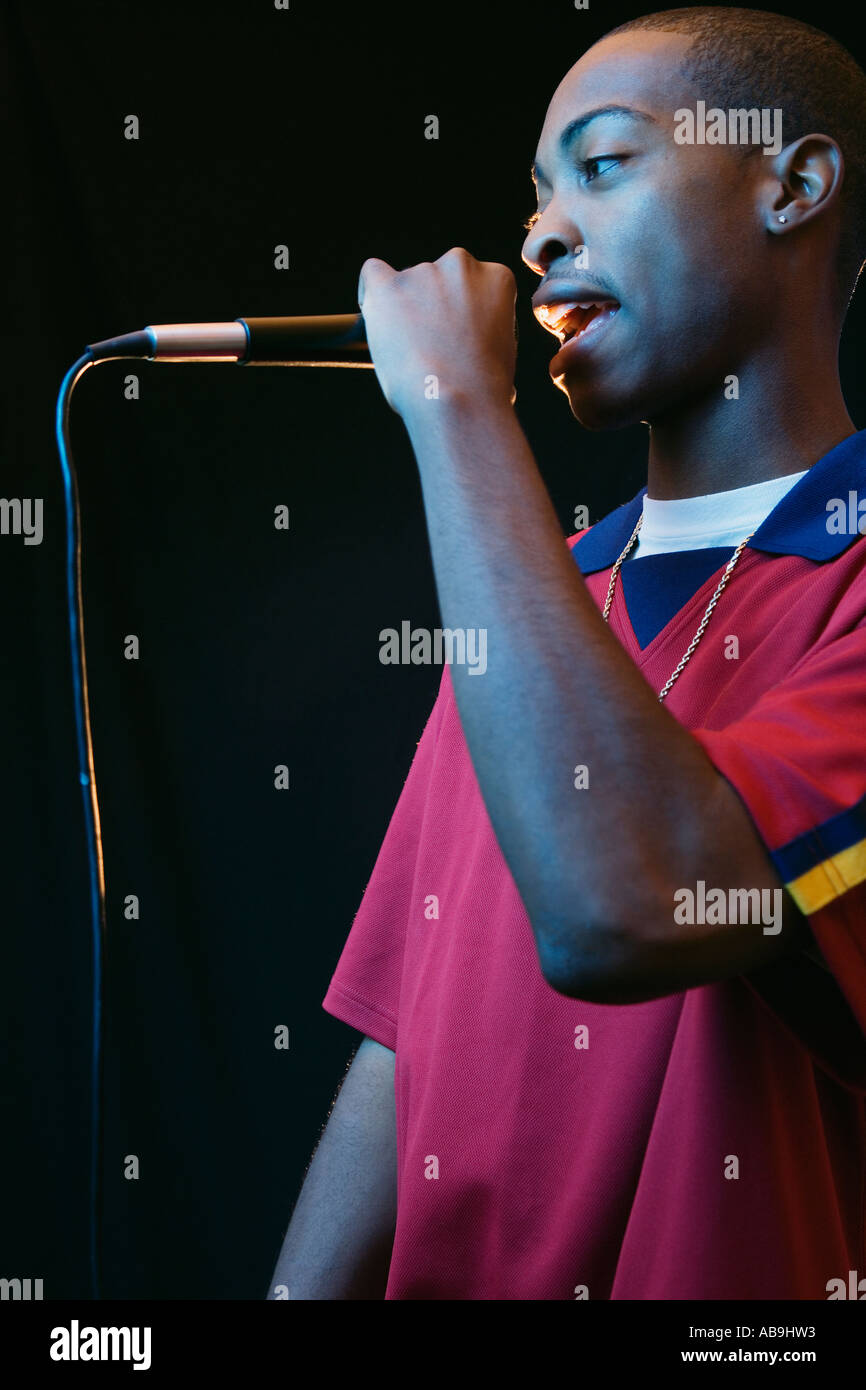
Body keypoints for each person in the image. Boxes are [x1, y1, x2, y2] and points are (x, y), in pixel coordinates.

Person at [268, 7, 866, 1299]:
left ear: (792, 184)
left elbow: (626, 910)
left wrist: (455, 411)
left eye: (601, 166)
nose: (539, 236)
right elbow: (398, 1035)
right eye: (535, 197)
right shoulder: (545, 591)